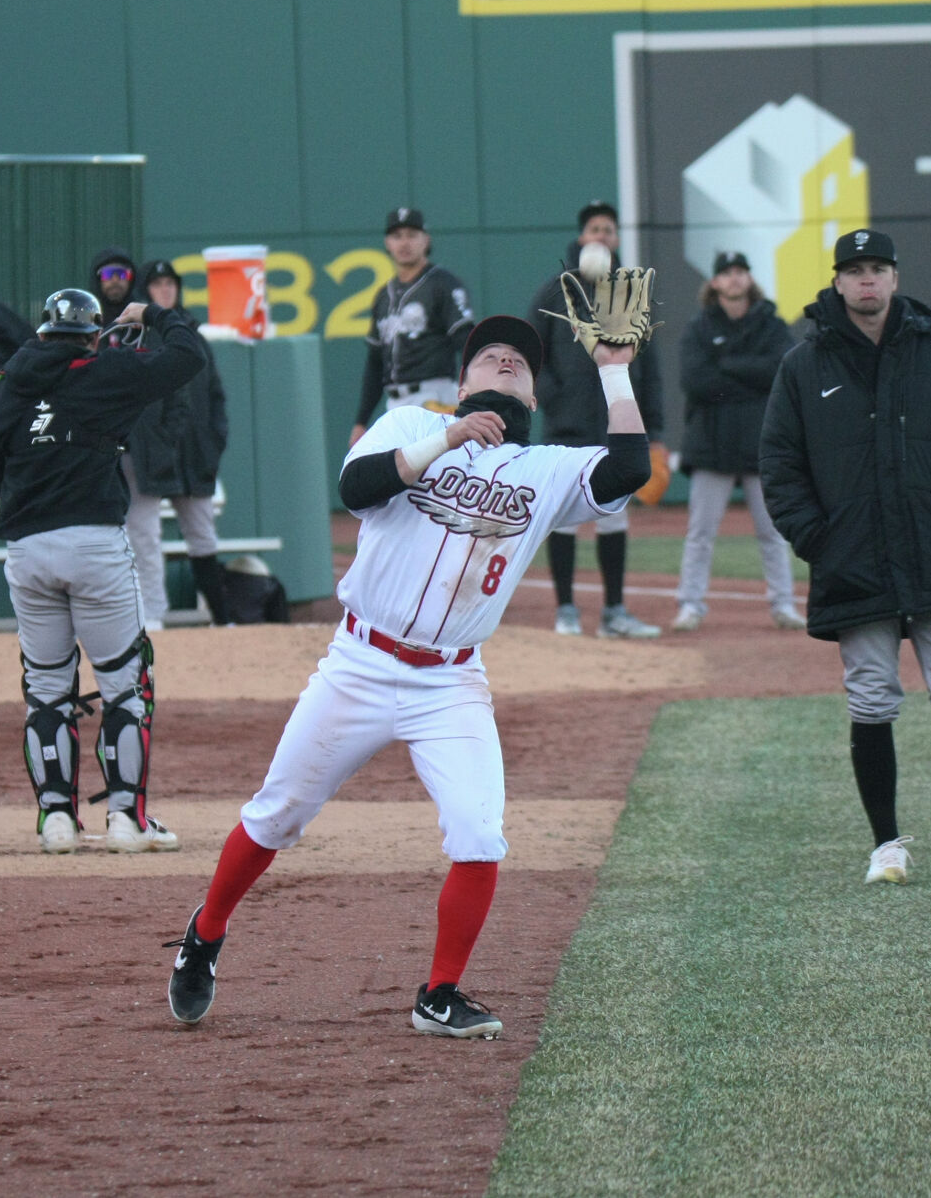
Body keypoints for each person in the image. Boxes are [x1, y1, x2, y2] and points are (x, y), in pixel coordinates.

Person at [164, 312, 655, 1037]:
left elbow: (630, 468)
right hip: (359, 665)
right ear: (461, 382)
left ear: (534, 394)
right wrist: (447, 439)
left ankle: (440, 994)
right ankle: (205, 933)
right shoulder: (409, 426)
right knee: (278, 814)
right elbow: (355, 487)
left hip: (450, 682)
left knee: (479, 834)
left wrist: (614, 370)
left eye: (519, 360)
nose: (505, 360)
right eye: (490, 355)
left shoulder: (546, 468)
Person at [759, 228, 931, 886]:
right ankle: (886, 846)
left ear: (894, 277)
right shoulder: (803, 366)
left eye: (877, 268)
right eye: (854, 269)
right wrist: (819, 539)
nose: (867, 279)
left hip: (930, 553)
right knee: (871, 700)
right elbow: (779, 465)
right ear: (837, 282)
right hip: (851, 560)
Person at [0, 287, 204, 855]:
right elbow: (188, 355)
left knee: (46, 690)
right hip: (94, 544)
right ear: (91, 335)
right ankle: (126, 819)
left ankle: (57, 820)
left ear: (43, 332)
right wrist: (153, 313)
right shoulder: (108, 370)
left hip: (27, 548)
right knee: (126, 684)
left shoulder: (8, 382)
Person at [527, 201, 665, 639]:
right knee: (564, 521)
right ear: (581, 237)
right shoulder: (556, 291)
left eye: (608, 229)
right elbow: (531, 352)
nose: (601, 235)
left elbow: (649, 367)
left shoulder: (629, 294)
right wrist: (553, 398)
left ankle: (614, 612)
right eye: (594, 229)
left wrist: (654, 428)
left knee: (613, 519)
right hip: (566, 428)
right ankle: (566, 609)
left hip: (615, 426)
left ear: (617, 239)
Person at [670, 251, 803, 632]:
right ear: (714, 282)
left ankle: (784, 605)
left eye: (740, 271)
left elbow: (780, 371)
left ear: (750, 278)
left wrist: (726, 364)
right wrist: (750, 379)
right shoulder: (698, 327)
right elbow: (695, 381)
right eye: (726, 273)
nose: (734, 278)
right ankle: (690, 605)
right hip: (711, 444)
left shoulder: (771, 324)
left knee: (772, 532)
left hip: (762, 444)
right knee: (700, 533)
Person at [120, 259, 232, 631]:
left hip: (193, 454)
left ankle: (223, 619)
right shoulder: (136, 335)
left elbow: (216, 396)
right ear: (145, 291)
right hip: (149, 455)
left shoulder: (192, 334)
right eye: (157, 284)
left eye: (171, 283)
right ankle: (152, 616)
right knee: (144, 537)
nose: (166, 290)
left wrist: (213, 444)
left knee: (202, 536)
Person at [350, 206, 476, 448]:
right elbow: (376, 362)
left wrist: (476, 391)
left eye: (411, 235)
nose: (404, 242)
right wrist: (361, 421)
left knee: (436, 466)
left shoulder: (443, 284)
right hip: (395, 403)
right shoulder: (383, 295)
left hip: (436, 396)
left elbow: (466, 340)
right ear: (387, 243)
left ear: (425, 240)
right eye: (397, 236)